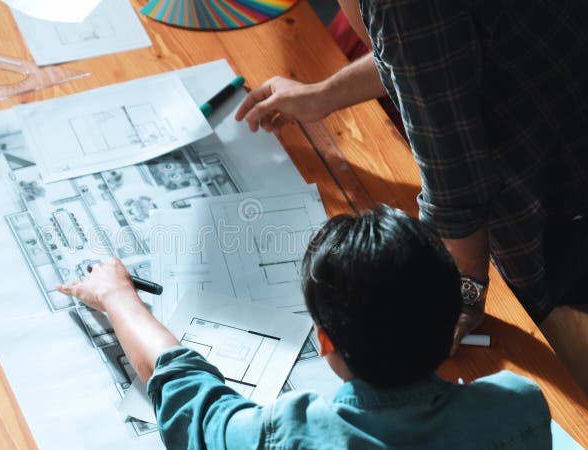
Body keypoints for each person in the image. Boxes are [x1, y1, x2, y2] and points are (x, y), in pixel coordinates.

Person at [234, 0, 588, 358]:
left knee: (523, 333)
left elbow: (455, 183)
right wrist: (322, 95)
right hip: (556, 99)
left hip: (558, 173)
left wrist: (465, 293)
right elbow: (428, 51)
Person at [58, 206, 552, 449]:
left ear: (325, 339)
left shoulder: (287, 433)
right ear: (452, 331)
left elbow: (188, 395)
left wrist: (116, 296)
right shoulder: (520, 406)